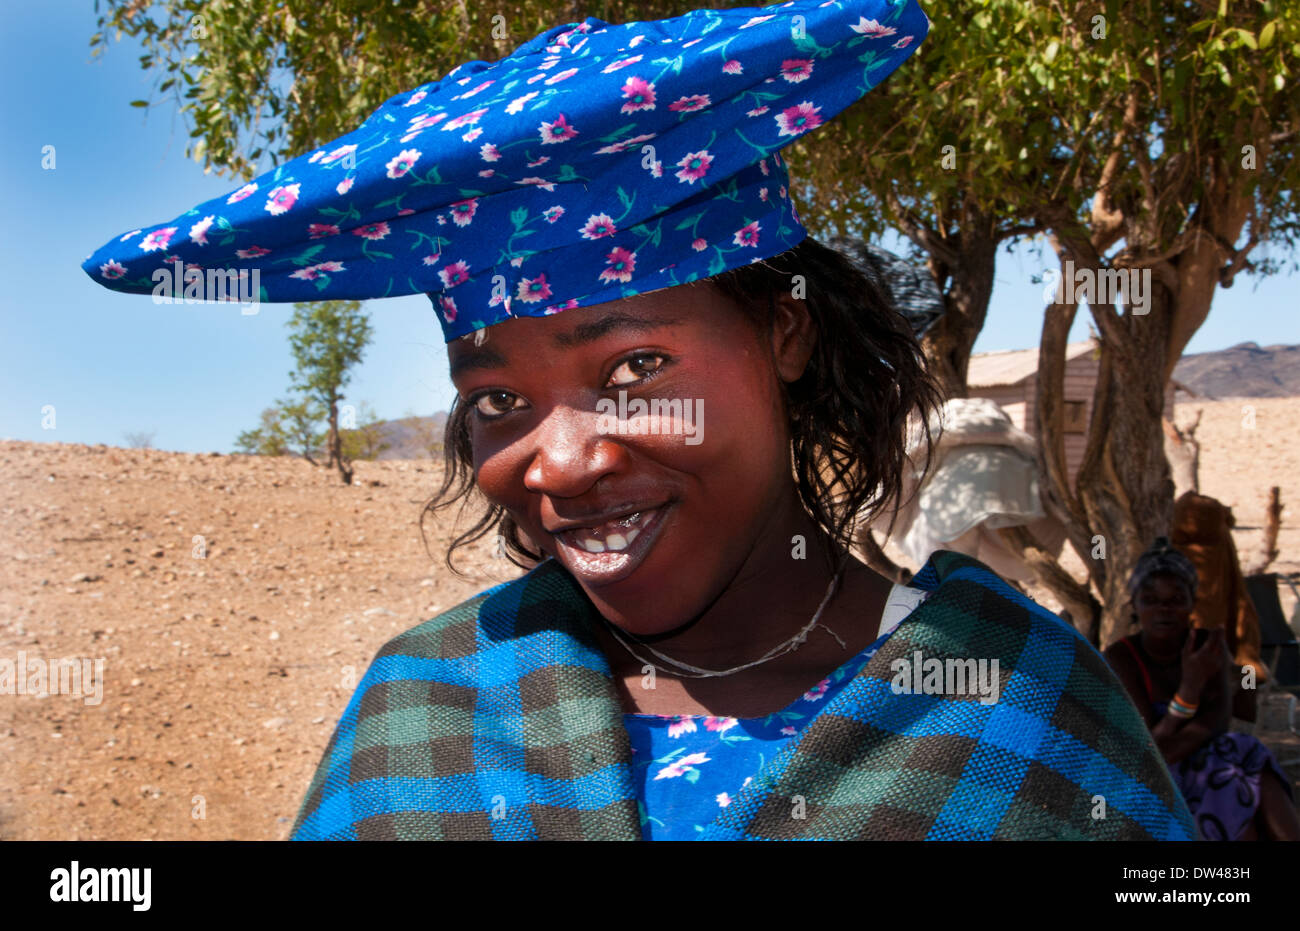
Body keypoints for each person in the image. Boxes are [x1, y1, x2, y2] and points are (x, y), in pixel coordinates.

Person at [81, 0, 1195, 840]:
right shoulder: (427, 709)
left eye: (634, 365)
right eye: (496, 401)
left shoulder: (1026, 714)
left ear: (786, 335)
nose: (557, 461)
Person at [1104, 538, 1299, 841]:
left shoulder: (1208, 644)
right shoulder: (1121, 657)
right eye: (1151, 599)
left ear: (1192, 603)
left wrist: (1177, 721)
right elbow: (1146, 745)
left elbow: (1218, 722)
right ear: (1135, 605)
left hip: (1201, 754)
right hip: (1146, 772)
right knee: (1226, 780)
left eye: (1176, 599)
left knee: (1245, 755)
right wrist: (1190, 688)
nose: (1163, 609)